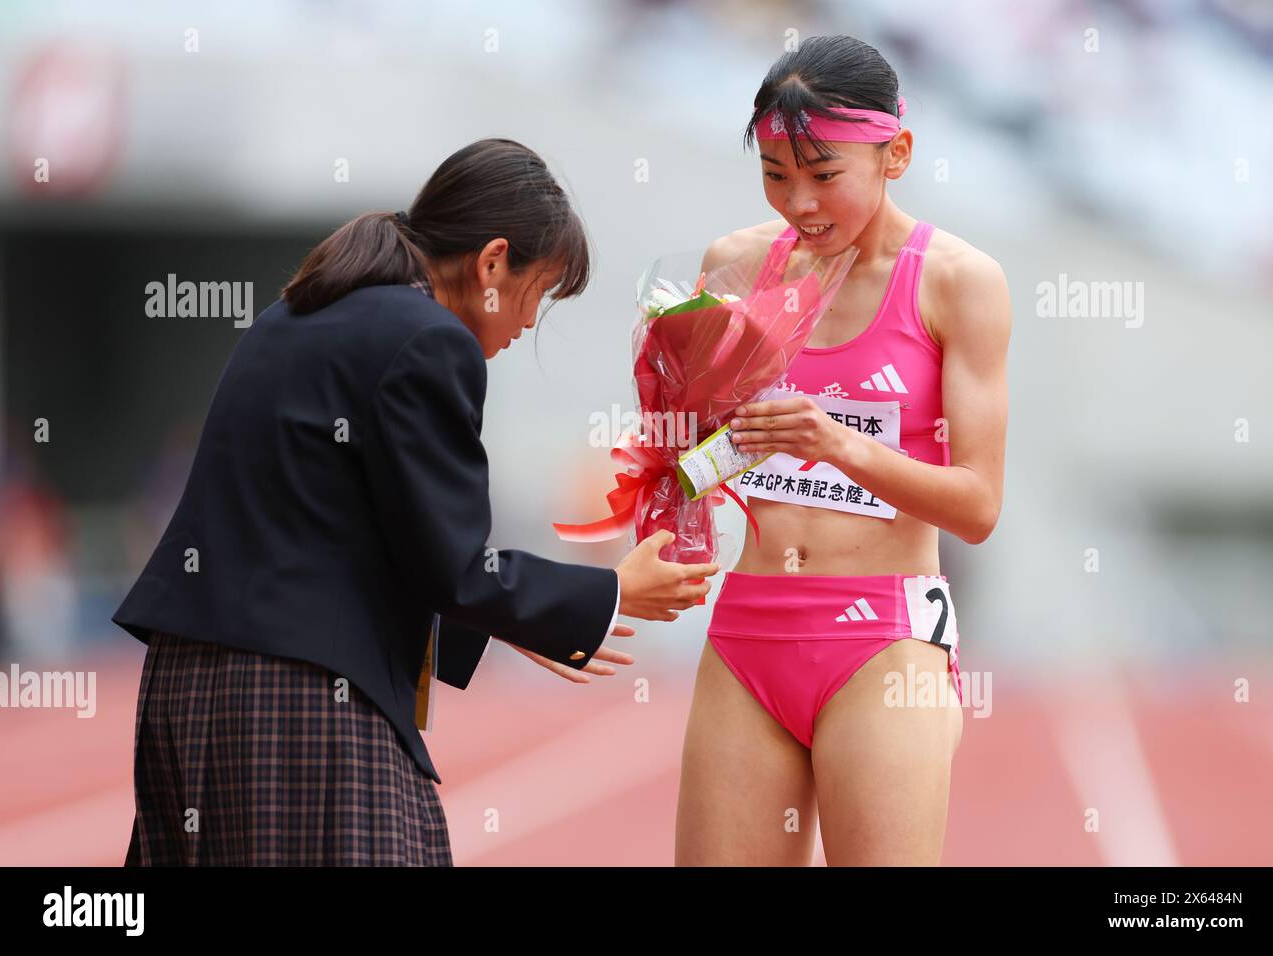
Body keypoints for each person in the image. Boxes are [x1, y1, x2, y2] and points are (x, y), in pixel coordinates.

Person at [116, 137, 718, 866]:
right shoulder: (428, 340)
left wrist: (520, 619)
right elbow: (452, 565)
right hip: (296, 695)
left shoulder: (300, 312)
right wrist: (612, 592)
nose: (530, 321)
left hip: (188, 685)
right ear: (492, 263)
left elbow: (368, 531)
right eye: (540, 291)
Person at [675, 36, 1011, 866]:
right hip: (748, 631)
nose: (801, 203)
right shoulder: (736, 265)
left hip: (882, 639)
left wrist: (836, 445)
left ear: (896, 153)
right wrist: (678, 425)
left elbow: (977, 507)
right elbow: (701, 446)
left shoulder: (957, 282)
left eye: (825, 175)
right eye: (775, 174)